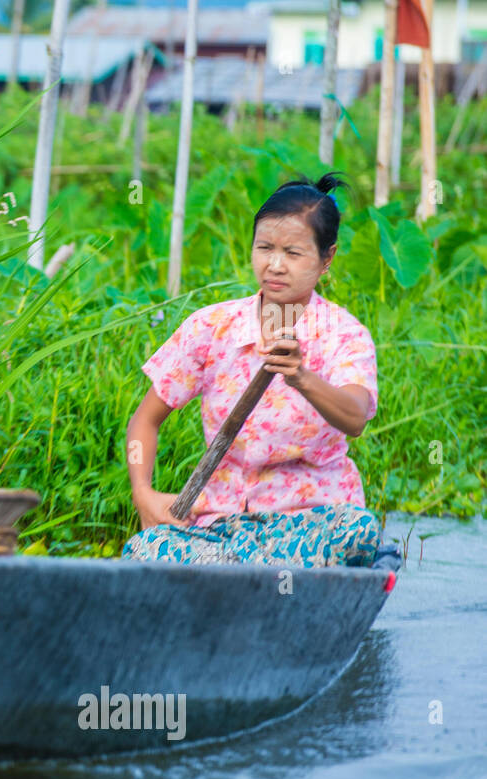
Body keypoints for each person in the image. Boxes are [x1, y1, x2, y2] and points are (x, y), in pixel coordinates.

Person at [122, 173, 381, 568]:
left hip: (314, 522)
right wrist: (143, 491)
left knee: (357, 531)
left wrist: (302, 379)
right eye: (264, 248)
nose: (274, 265)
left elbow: (355, 416)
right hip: (221, 524)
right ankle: (241, 568)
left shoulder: (344, 335)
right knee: (145, 549)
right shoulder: (211, 328)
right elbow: (145, 422)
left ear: (326, 259)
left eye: (293, 254)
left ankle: (241, 571)